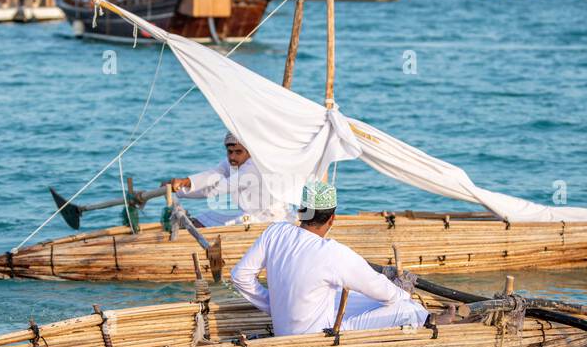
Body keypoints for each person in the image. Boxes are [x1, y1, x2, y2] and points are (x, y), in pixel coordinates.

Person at [230, 182, 430, 336]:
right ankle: (431, 321)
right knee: (410, 310)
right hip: (317, 337)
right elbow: (381, 289)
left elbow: (240, 276)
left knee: (357, 296)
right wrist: (404, 295)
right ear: (332, 218)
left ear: (301, 211)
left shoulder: (276, 231)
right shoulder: (333, 252)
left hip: (283, 331)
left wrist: (273, 306)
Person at [164, 132, 289, 227]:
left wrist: (181, 187)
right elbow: (213, 175)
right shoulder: (233, 162)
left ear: (249, 153)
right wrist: (181, 185)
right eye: (230, 152)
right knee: (199, 221)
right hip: (249, 214)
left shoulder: (254, 166)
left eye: (238, 152)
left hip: (271, 219)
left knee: (200, 224)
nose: (232, 156)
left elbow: (217, 188)